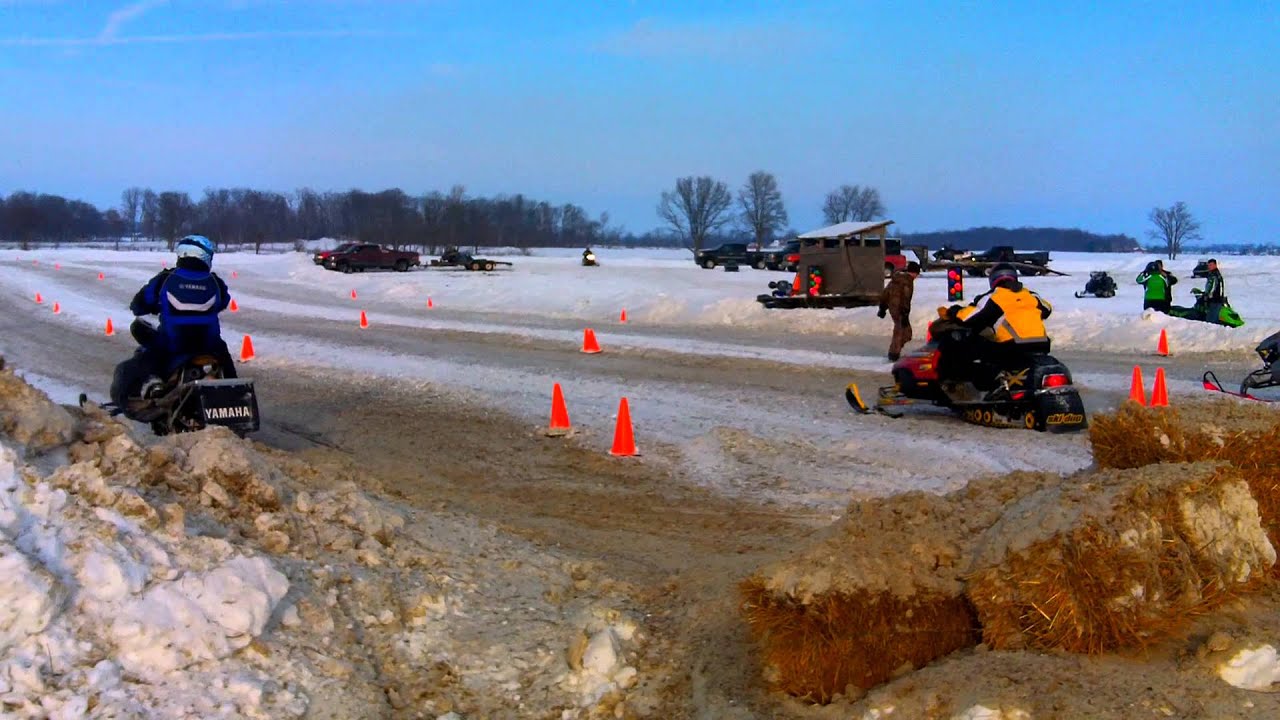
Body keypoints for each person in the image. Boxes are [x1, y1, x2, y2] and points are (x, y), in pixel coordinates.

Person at [112, 235, 236, 408]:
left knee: (143, 337)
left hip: (174, 343)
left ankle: (153, 382)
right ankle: (234, 390)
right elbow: (223, 302)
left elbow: (138, 305)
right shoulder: (215, 282)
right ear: (206, 257)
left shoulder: (165, 279)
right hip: (208, 344)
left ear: (183, 254)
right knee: (222, 350)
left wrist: (157, 306)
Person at [939, 263, 1053, 397]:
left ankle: (982, 385)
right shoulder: (1030, 295)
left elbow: (970, 317)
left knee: (973, 349)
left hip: (1013, 346)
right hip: (1041, 344)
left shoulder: (995, 296)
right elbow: (1047, 308)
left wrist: (954, 312)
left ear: (993, 280)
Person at [878, 261, 921, 361]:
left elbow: (885, 293)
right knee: (903, 332)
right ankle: (894, 354)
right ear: (914, 273)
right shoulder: (908, 282)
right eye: (917, 274)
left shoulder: (895, 279)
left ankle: (894, 351)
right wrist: (905, 313)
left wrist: (882, 307)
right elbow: (906, 298)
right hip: (901, 310)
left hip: (893, 308)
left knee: (901, 331)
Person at [1201, 258, 1227, 322]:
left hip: (1215, 300)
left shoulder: (1214, 275)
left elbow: (1213, 287)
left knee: (1211, 319)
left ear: (1215, 265)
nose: (1209, 267)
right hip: (1216, 299)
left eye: (1211, 265)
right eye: (1208, 265)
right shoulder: (1214, 274)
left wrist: (1207, 296)